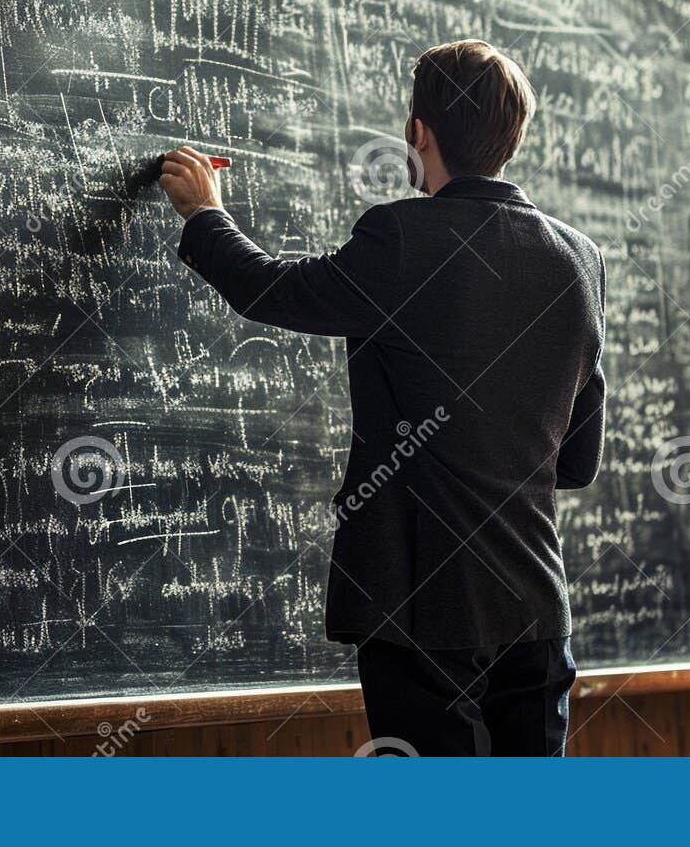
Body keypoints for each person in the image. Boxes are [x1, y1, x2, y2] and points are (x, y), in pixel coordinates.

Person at [159, 39, 605, 757]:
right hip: (537, 611)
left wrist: (205, 212)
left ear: (418, 132)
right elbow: (577, 464)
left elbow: (270, 288)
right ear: (514, 136)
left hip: (422, 610)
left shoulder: (402, 235)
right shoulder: (581, 259)